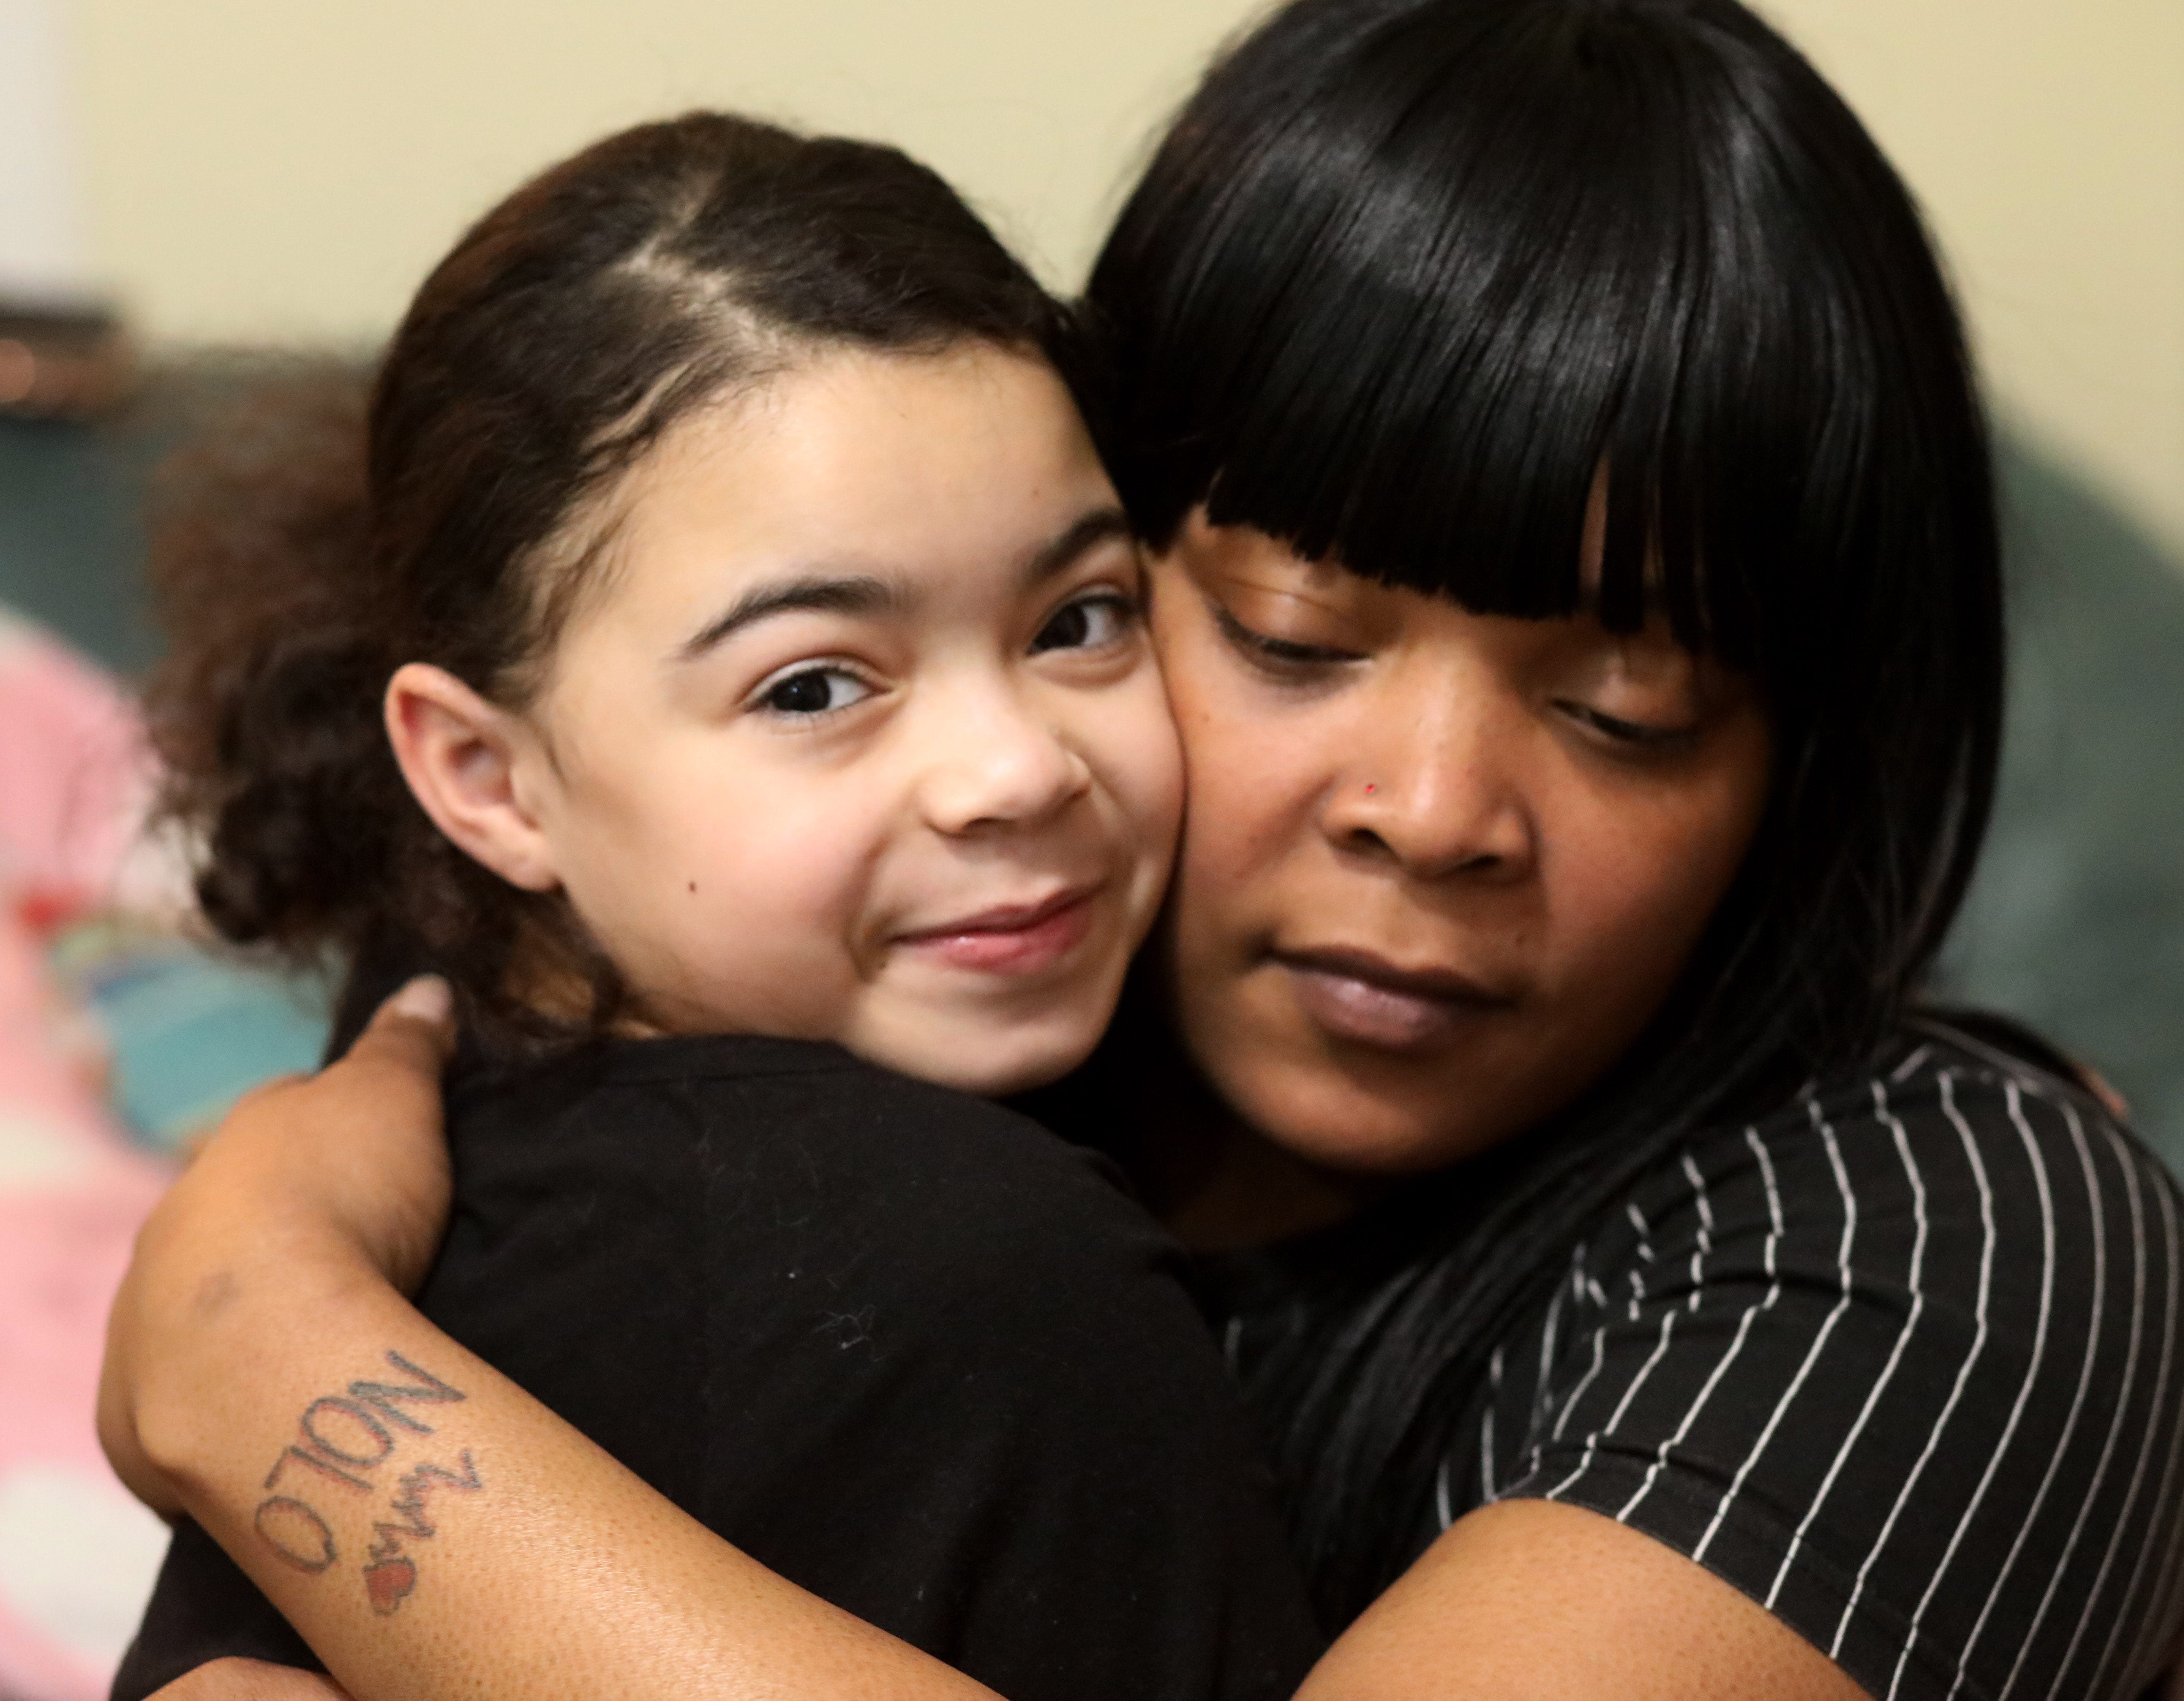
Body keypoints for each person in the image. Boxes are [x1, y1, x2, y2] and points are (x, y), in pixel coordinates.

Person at [101, 2, 2184, 1698]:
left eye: (1618, 711)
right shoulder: (889, 1011)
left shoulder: (1944, 1236)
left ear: (1796, 760)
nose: (1430, 812)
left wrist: (276, 1363)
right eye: (1285, 637)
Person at [104, 111, 1323, 1701]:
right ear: (484, 777)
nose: (1016, 771)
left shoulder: (457, 1001)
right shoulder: (994, 1289)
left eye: (1079, 617)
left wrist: (253, 1343)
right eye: (815, 684)